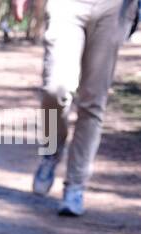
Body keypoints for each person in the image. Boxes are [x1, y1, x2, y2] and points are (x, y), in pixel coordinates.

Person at [15, 0, 139, 216]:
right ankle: (51, 150)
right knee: (55, 88)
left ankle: (75, 185)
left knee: (93, 101)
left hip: (114, 8)